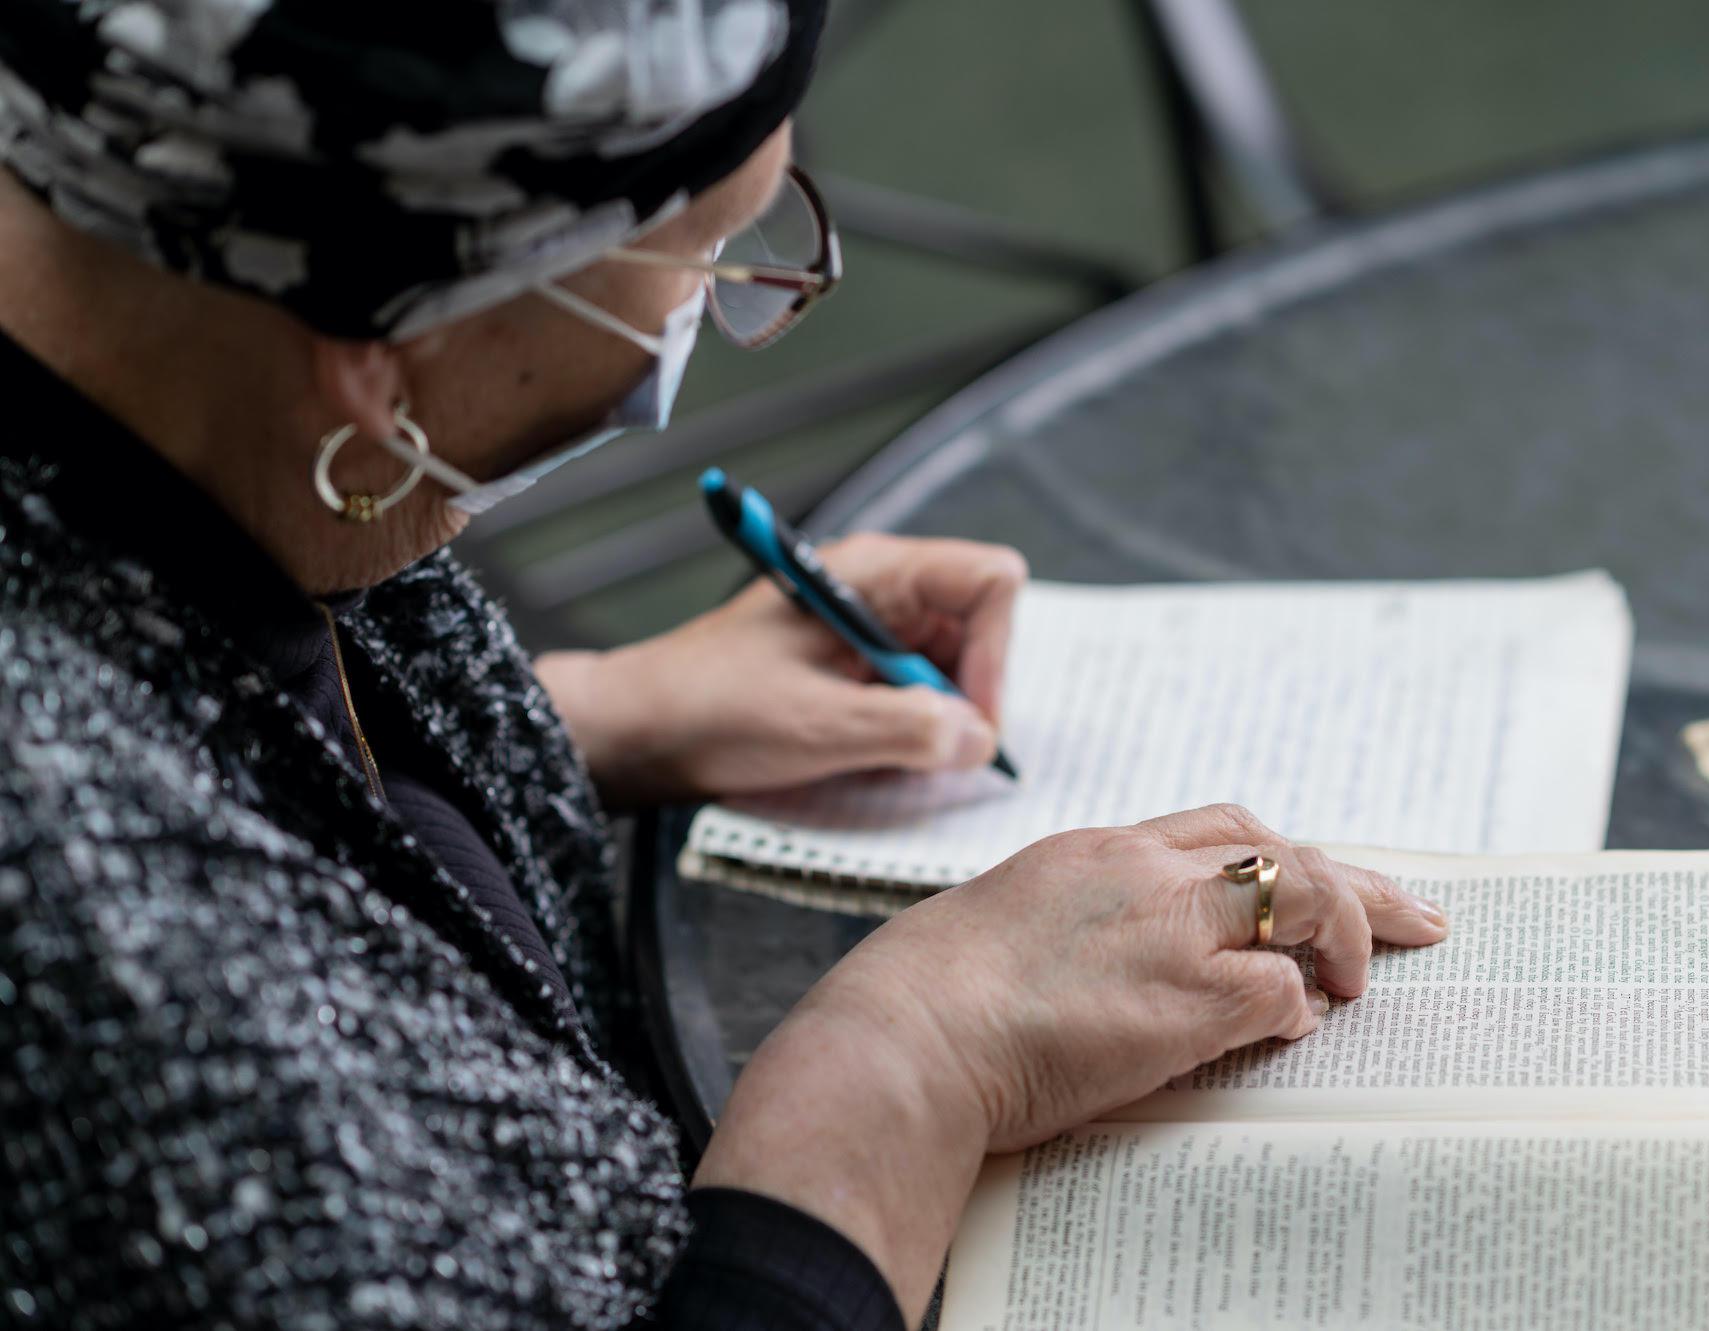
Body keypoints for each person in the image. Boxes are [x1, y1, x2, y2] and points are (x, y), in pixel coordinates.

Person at [0, 2, 1449, 1327]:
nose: (730, 300)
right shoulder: (115, 973)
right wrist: (911, 1065)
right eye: (699, 259)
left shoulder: (177, 368)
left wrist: (593, 716)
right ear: (383, 350)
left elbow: (248, 766)